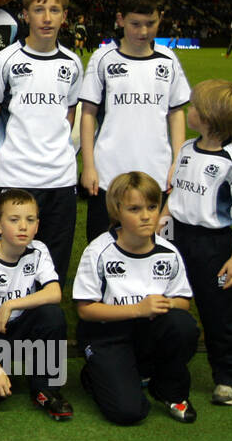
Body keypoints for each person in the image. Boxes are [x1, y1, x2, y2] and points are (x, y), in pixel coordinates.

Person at [0, 0, 83, 285]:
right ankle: (11, 321)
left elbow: (69, 115)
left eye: (54, 10)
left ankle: (47, 320)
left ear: (65, 16)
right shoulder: (5, 61)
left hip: (61, 179)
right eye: (39, 10)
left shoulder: (72, 63)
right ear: (26, 15)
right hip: (18, 177)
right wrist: (4, 160)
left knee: (55, 262)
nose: (47, 18)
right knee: (13, 261)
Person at [73, 171, 199, 424]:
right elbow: (85, 310)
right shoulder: (99, 251)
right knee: (129, 413)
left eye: (152, 207)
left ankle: (170, 390)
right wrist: (138, 309)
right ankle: (97, 374)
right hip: (107, 335)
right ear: (117, 211)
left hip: (147, 330)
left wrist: (166, 304)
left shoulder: (168, 252)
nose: (146, 216)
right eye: (134, 209)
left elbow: (183, 302)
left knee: (182, 325)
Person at [168, 80, 232, 406]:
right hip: (177, 239)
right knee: (170, 303)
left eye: (194, 108)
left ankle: (228, 377)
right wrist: (160, 232)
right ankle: (160, 366)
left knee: (220, 312)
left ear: (209, 118)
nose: (189, 111)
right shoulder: (186, 149)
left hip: (214, 246)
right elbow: (174, 196)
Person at [79, 0, 191, 242]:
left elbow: (176, 113)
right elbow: (88, 114)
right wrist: (89, 166)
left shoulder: (168, 60)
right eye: (135, 23)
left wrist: (177, 161)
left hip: (157, 172)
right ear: (120, 20)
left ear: (160, 18)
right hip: (108, 173)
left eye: (150, 23)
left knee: (156, 247)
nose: (143, 31)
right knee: (102, 248)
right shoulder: (103, 58)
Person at [0, 189, 72, 419]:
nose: (23, 227)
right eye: (14, 220)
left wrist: (11, 305)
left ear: (37, 226)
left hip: (18, 327)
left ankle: (45, 388)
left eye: (30, 220)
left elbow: (54, 292)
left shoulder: (39, 250)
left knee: (51, 315)